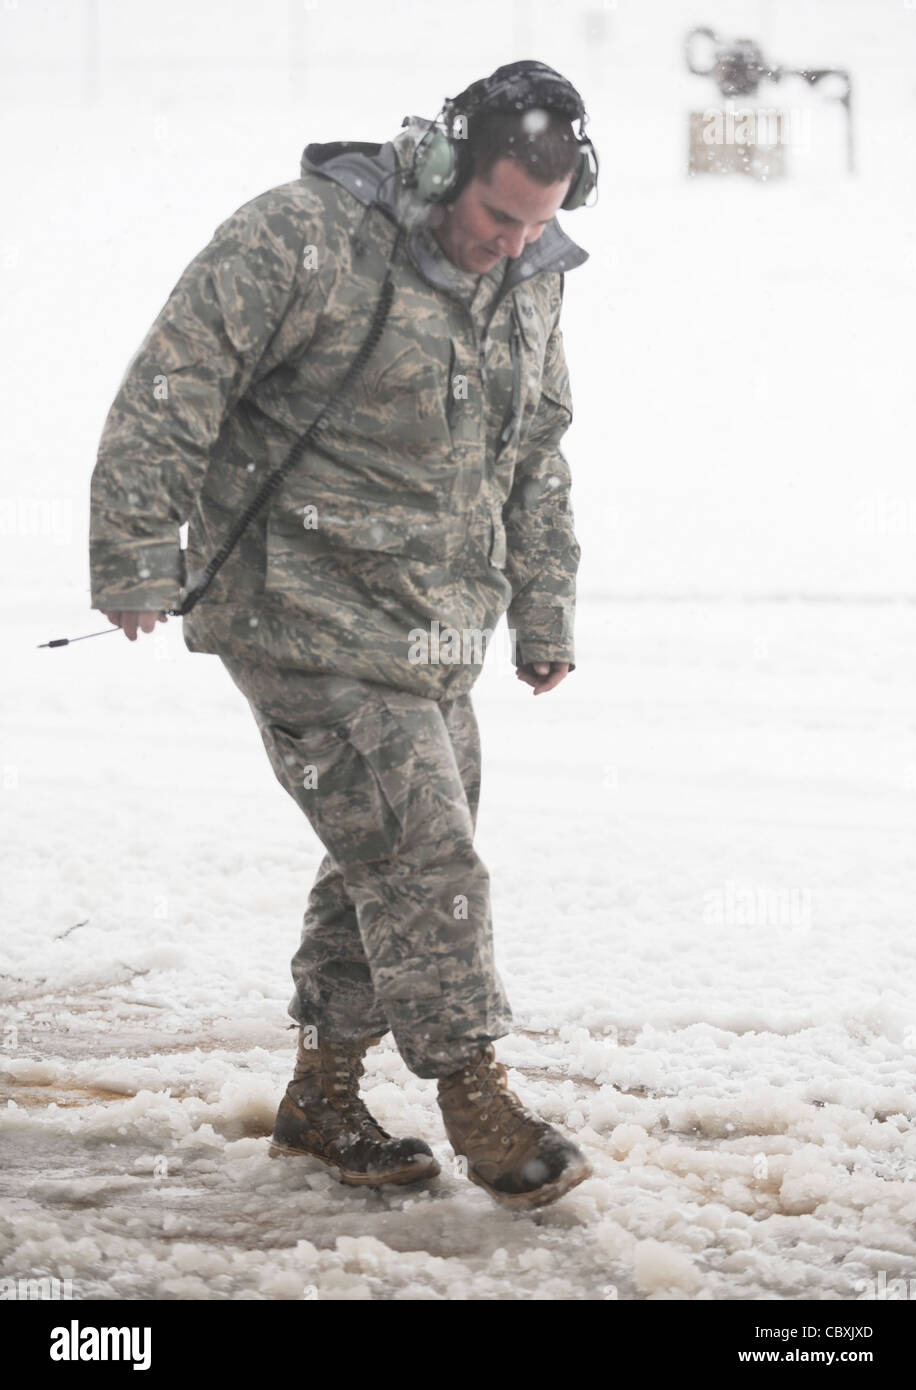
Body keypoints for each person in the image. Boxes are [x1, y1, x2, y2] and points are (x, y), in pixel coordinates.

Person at [89, 60, 596, 1209]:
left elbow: (535, 446)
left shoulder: (529, 276)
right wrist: (132, 550)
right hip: (294, 607)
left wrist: (543, 604)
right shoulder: (300, 238)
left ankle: (323, 1095)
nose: (511, 244)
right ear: (440, 165)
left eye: (537, 225)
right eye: (495, 216)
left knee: (387, 844)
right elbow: (176, 381)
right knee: (422, 848)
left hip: (431, 631)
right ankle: (479, 1099)